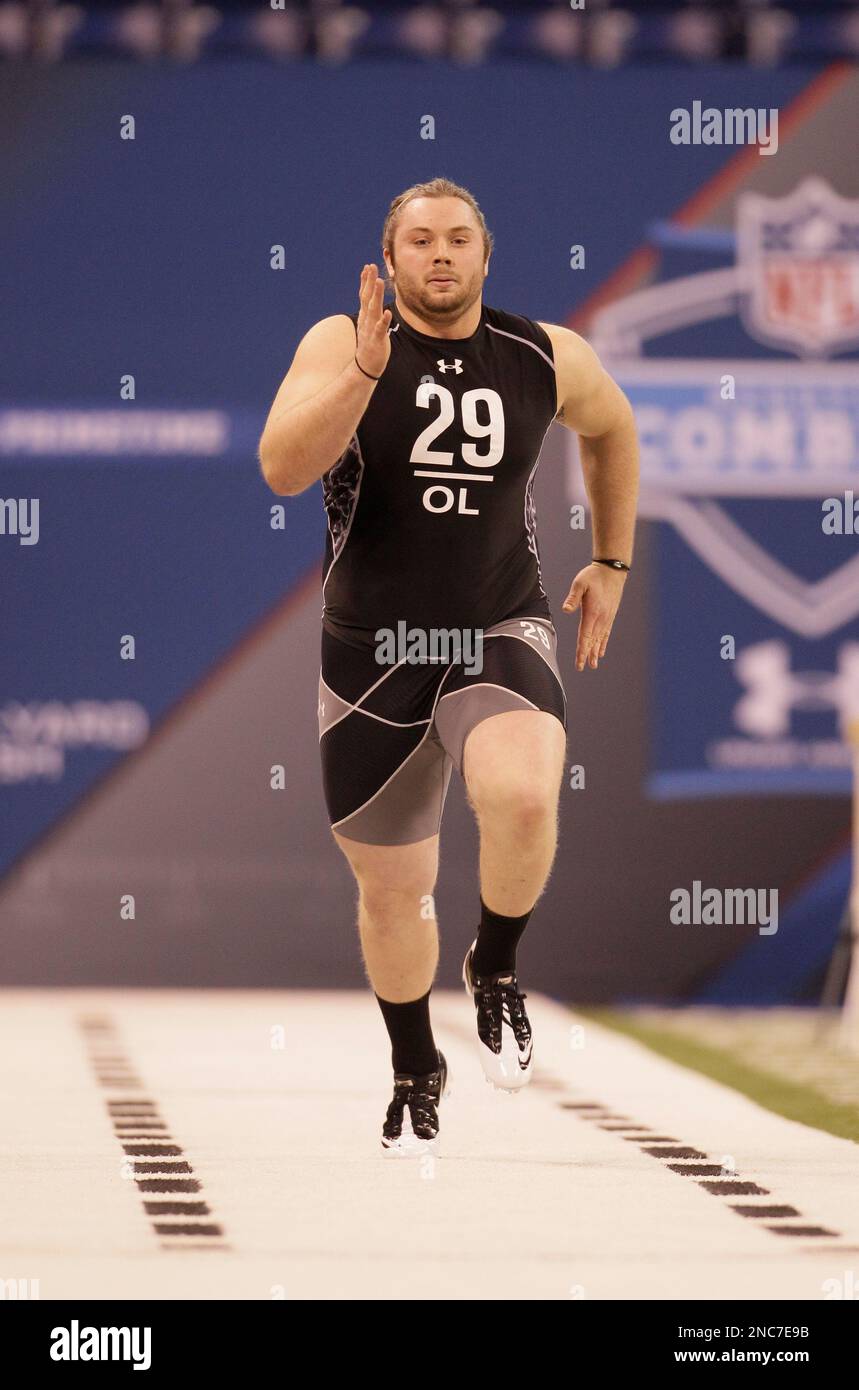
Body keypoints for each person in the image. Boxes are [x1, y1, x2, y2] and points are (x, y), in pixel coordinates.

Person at [258, 177, 639, 1155]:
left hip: (492, 627)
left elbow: (613, 426)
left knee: (518, 795)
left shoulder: (543, 353)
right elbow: (281, 468)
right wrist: (362, 378)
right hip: (371, 655)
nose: (439, 254)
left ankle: (497, 965)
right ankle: (413, 1061)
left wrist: (608, 559)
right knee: (394, 889)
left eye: (457, 238)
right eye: (419, 239)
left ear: (484, 252)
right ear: (389, 260)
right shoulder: (338, 343)